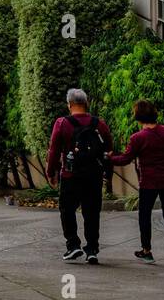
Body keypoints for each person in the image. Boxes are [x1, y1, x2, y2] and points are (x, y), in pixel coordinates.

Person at [110, 100, 164, 268]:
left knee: (144, 215)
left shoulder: (137, 138)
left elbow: (125, 159)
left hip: (149, 182)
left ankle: (147, 251)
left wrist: (109, 158)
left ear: (138, 118)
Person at [45, 88, 113, 264]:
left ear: (69, 105)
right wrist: (107, 171)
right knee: (92, 212)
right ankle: (92, 249)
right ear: (86, 103)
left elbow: (54, 150)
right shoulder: (100, 123)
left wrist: (51, 172)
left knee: (67, 210)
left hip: (70, 174)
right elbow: (109, 149)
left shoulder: (62, 123)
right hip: (93, 176)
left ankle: (73, 245)